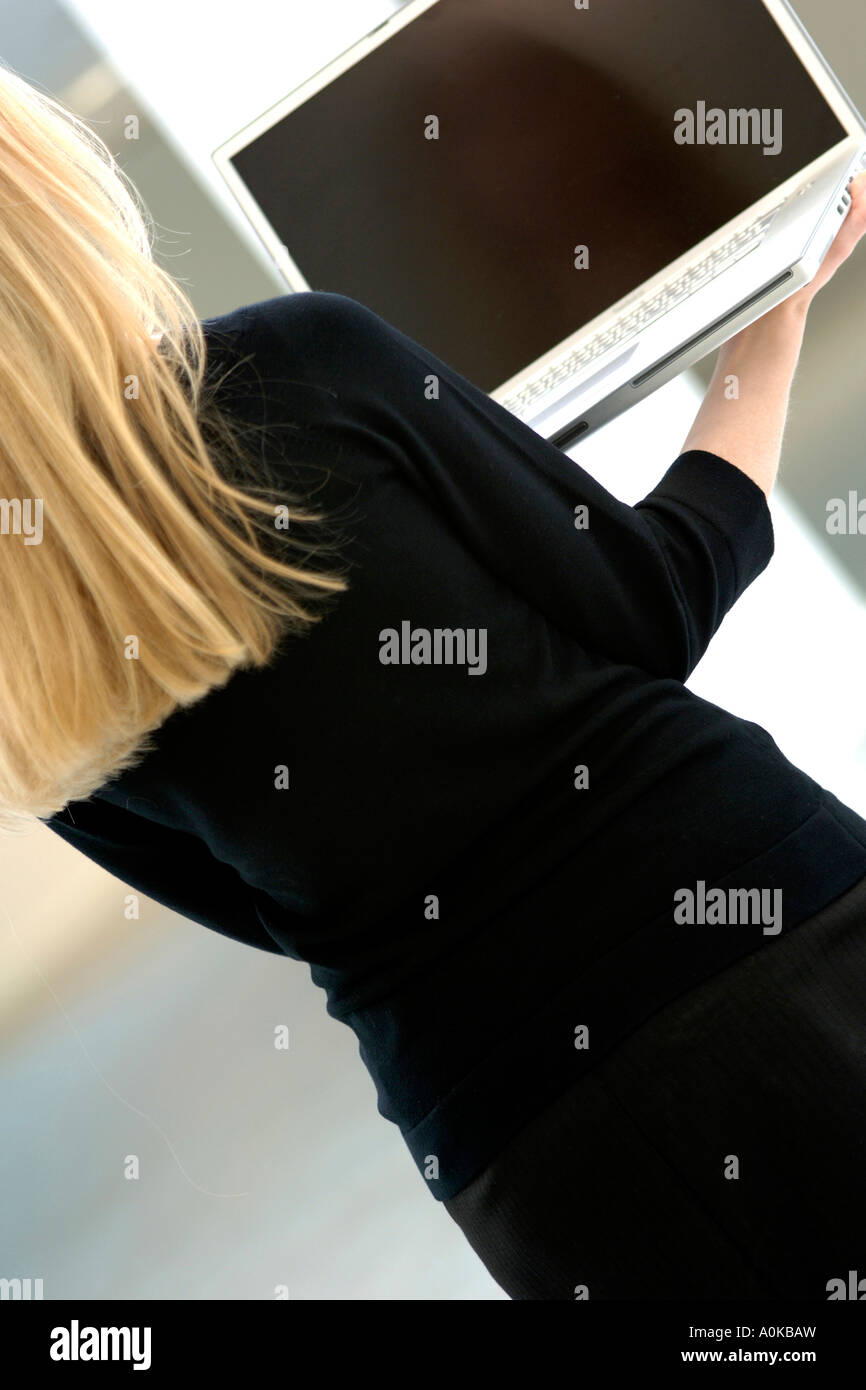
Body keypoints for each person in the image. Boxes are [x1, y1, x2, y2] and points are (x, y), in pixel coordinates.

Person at [3, 64, 866, 1300]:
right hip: (759, 937)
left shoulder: (15, 649)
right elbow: (649, 598)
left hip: (518, 1145)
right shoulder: (300, 367)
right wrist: (761, 332)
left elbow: (279, 907)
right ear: (56, 213)